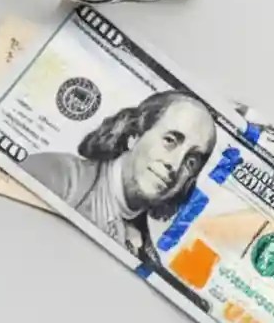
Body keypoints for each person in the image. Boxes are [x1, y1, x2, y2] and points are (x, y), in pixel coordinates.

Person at [22, 89, 216, 261]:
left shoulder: (149, 260)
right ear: (134, 135)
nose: (175, 164)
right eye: (170, 140)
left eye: (191, 162)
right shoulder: (58, 176)